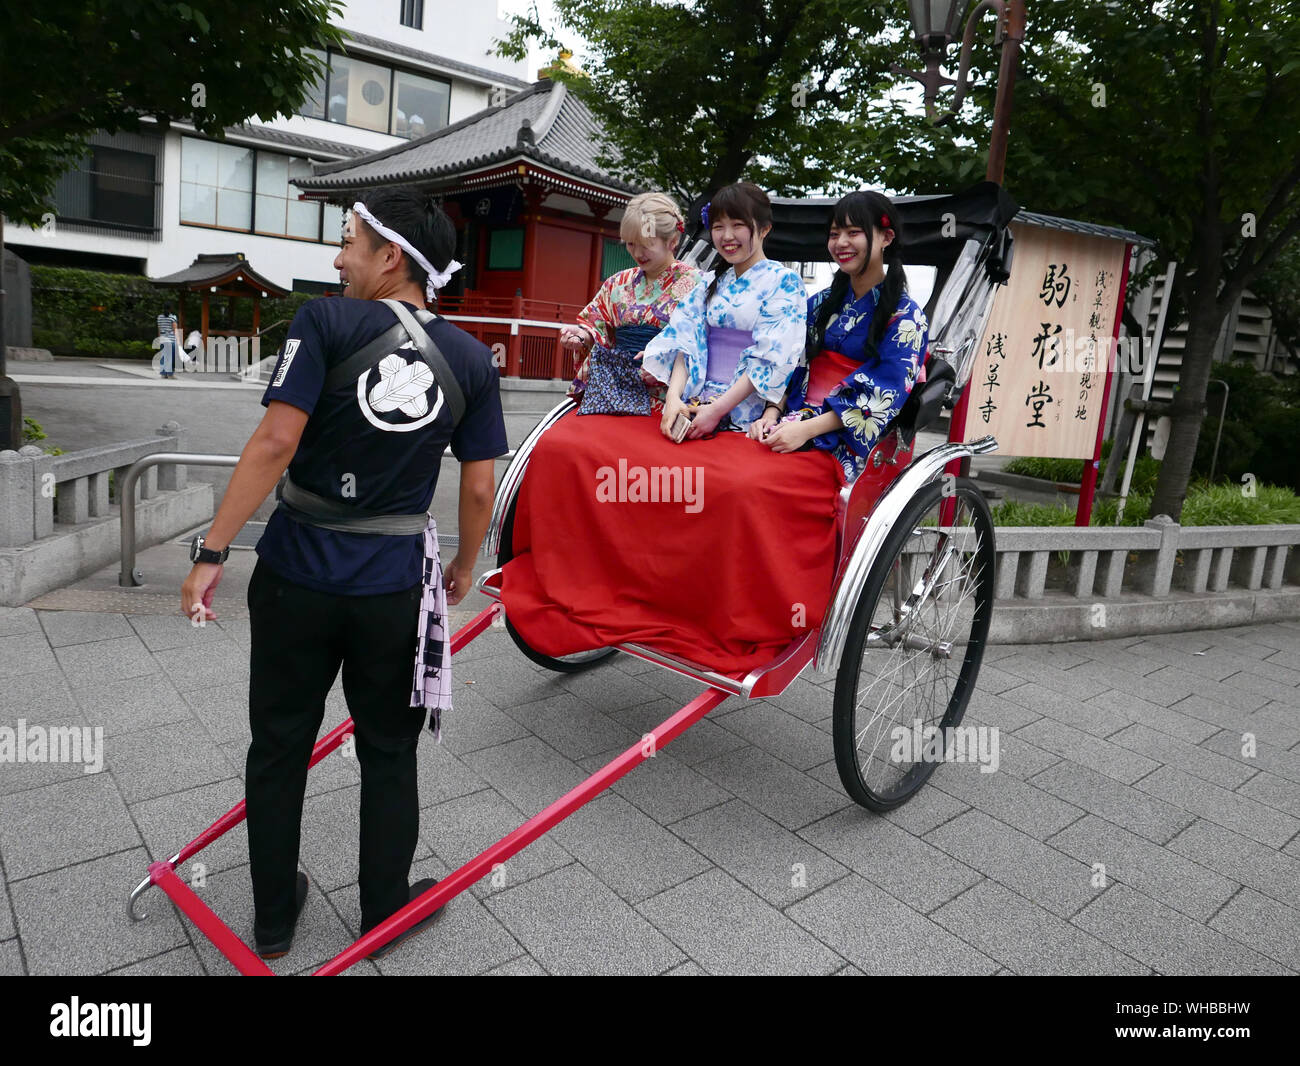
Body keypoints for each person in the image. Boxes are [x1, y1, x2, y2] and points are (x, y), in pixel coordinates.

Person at [178, 186, 507, 961]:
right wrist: (464, 563)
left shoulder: (322, 323)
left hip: (296, 571)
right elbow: (482, 485)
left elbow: (271, 445)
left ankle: (271, 921)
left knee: (279, 743)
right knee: (388, 750)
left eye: (349, 242)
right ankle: (383, 912)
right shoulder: (468, 357)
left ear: (391, 256)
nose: (337, 257)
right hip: (391, 586)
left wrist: (212, 551)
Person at [750, 190, 928, 480]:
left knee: (756, 483)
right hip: (791, 421)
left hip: (843, 439)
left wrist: (806, 429)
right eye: (835, 234)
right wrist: (770, 413)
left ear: (886, 237)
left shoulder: (907, 317)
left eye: (854, 232)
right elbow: (788, 361)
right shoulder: (819, 304)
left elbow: (883, 394)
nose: (841, 243)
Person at [641, 182, 806, 440]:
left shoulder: (784, 282)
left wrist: (718, 410)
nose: (727, 236)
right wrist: (673, 398)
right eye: (718, 227)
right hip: (693, 403)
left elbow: (771, 356)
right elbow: (686, 341)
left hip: (744, 410)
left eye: (738, 225)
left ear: (764, 229)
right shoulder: (707, 283)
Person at [560, 192, 699, 413]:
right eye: (631, 244)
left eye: (646, 245)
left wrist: (663, 361)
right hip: (615, 390)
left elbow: (701, 344)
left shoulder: (696, 284)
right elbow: (596, 324)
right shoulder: (618, 282)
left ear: (672, 242)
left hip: (668, 395)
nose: (637, 253)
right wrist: (581, 336)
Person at [156, 305, 179, 378]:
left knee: (163, 356)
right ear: (171, 309)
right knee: (170, 358)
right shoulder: (173, 317)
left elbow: (159, 329)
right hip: (170, 340)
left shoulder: (159, 317)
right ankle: (170, 374)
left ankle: (163, 374)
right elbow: (175, 330)